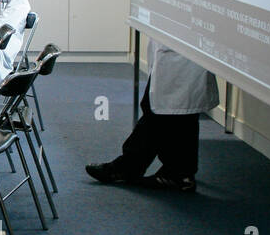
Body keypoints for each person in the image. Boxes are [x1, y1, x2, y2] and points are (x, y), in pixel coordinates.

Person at [86, 43, 218, 192]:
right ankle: (175, 174)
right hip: (176, 56)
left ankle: (167, 173)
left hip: (184, 58)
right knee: (169, 113)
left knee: (170, 114)